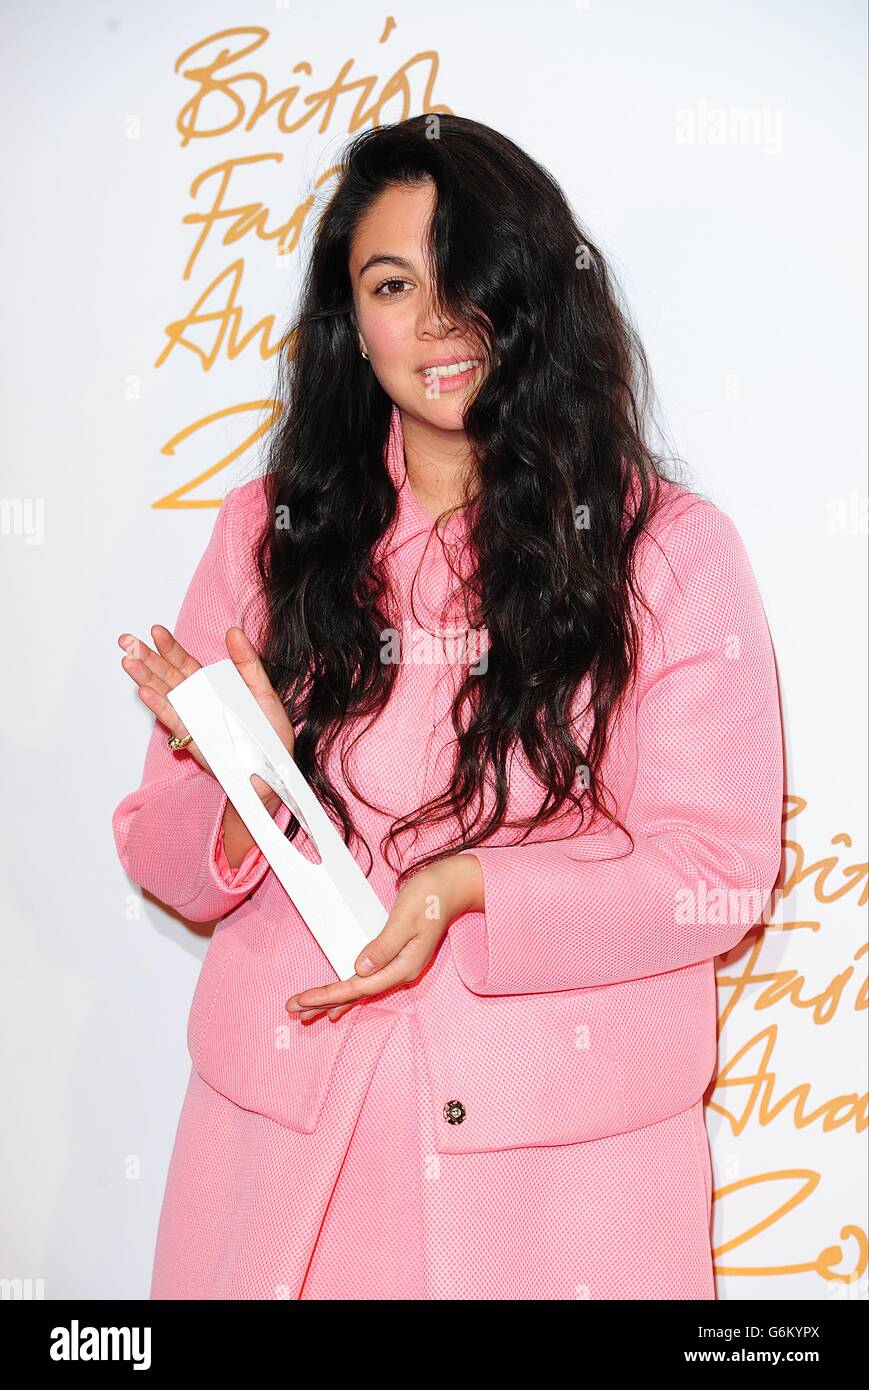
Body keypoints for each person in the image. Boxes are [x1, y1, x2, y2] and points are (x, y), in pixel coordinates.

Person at [112, 115, 783, 1300]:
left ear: (528, 292)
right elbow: (163, 857)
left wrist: (472, 887)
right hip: (284, 1152)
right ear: (349, 320)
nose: (432, 321)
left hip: (558, 1188)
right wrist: (245, 777)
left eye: (460, 274)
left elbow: (714, 871)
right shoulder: (271, 535)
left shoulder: (665, 553)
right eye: (389, 285)